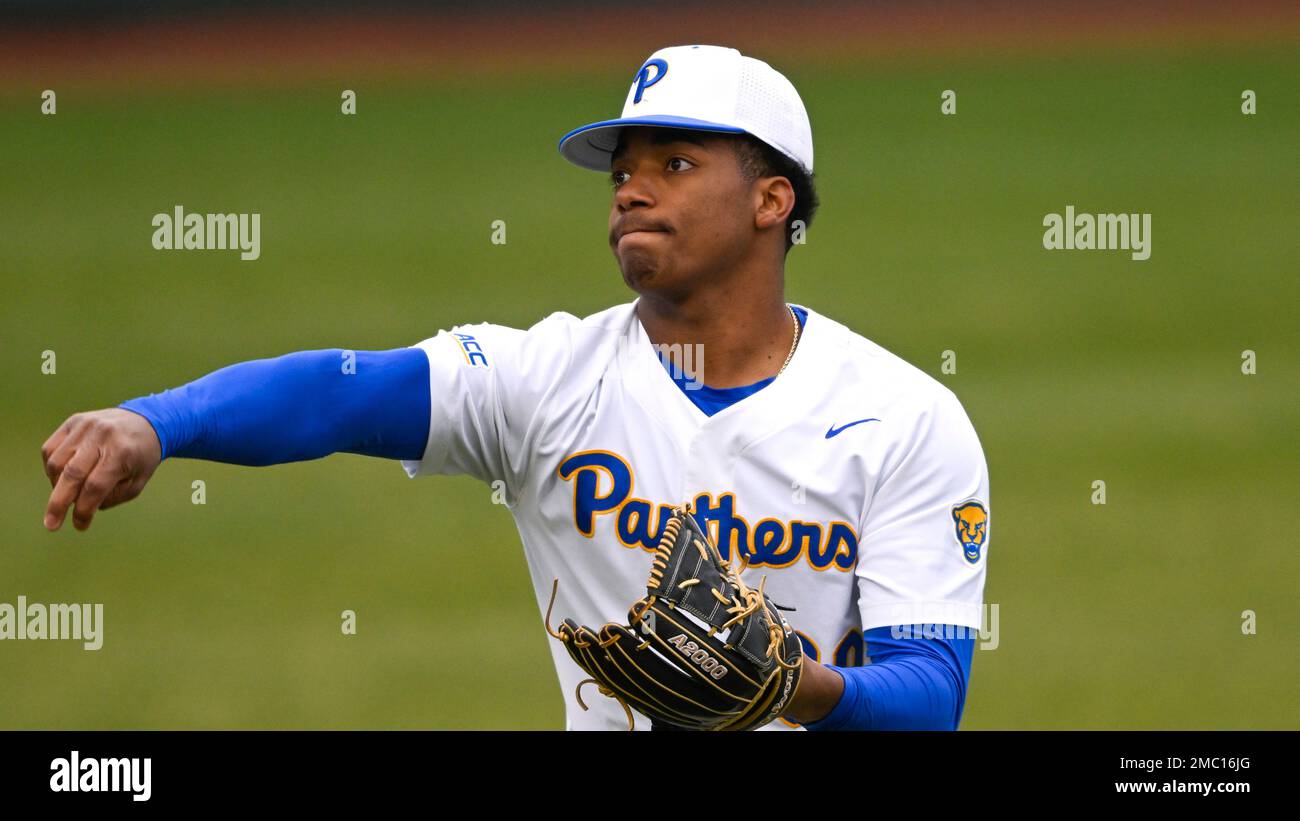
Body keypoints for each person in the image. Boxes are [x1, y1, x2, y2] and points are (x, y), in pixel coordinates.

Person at [39, 44, 989, 731]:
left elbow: (932, 692)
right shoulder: (546, 377)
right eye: (622, 171)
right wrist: (152, 424)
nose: (629, 190)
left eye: (676, 163)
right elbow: (337, 393)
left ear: (770, 200)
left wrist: (792, 688)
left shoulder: (902, 418)